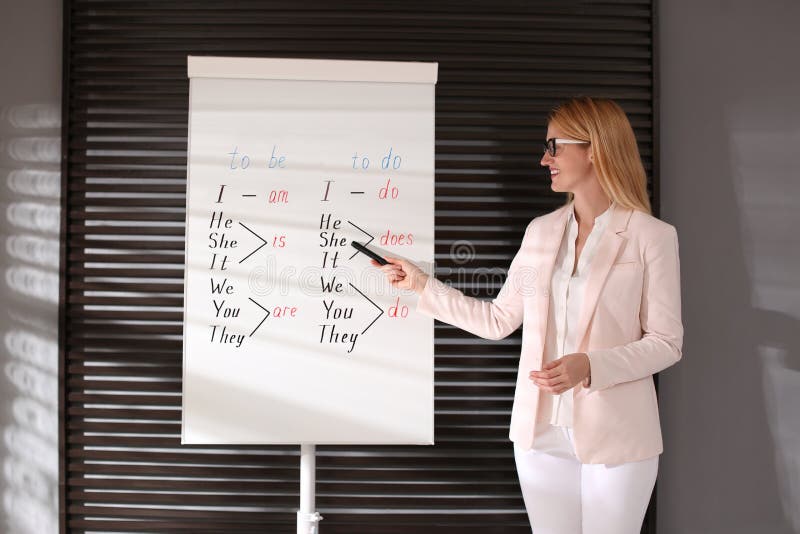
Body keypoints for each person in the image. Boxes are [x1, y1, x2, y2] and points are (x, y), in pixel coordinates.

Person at [371, 96, 683, 534]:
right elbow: (499, 319)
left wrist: (591, 365)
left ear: (594, 148)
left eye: (554, 146)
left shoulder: (651, 236)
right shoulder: (541, 232)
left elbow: (666, 342)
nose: (544, 159)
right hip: (540, 435)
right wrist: (423, 284)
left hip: (618, 437)